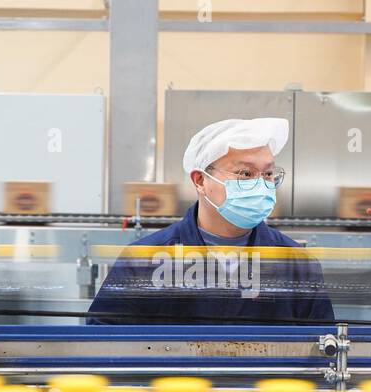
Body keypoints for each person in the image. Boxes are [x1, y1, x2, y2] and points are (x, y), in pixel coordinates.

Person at [87, 117, 333, 324]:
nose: (261, 184)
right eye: (245, 173)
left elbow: (323, 350)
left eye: (268, 173)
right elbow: (102, 344)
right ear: (200, 181)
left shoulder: (297, 265)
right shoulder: (143, 261)